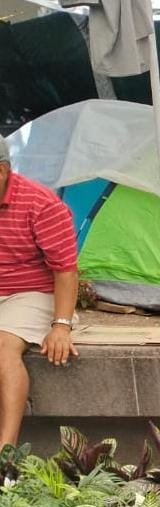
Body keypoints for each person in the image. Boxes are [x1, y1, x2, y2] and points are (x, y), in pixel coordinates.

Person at [0, 137, 79, 446]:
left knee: (2, 346)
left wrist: (61, 326)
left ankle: (5, 453)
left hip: (33, 291)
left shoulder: (42, 205)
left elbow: (66, 270)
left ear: (3, 170)